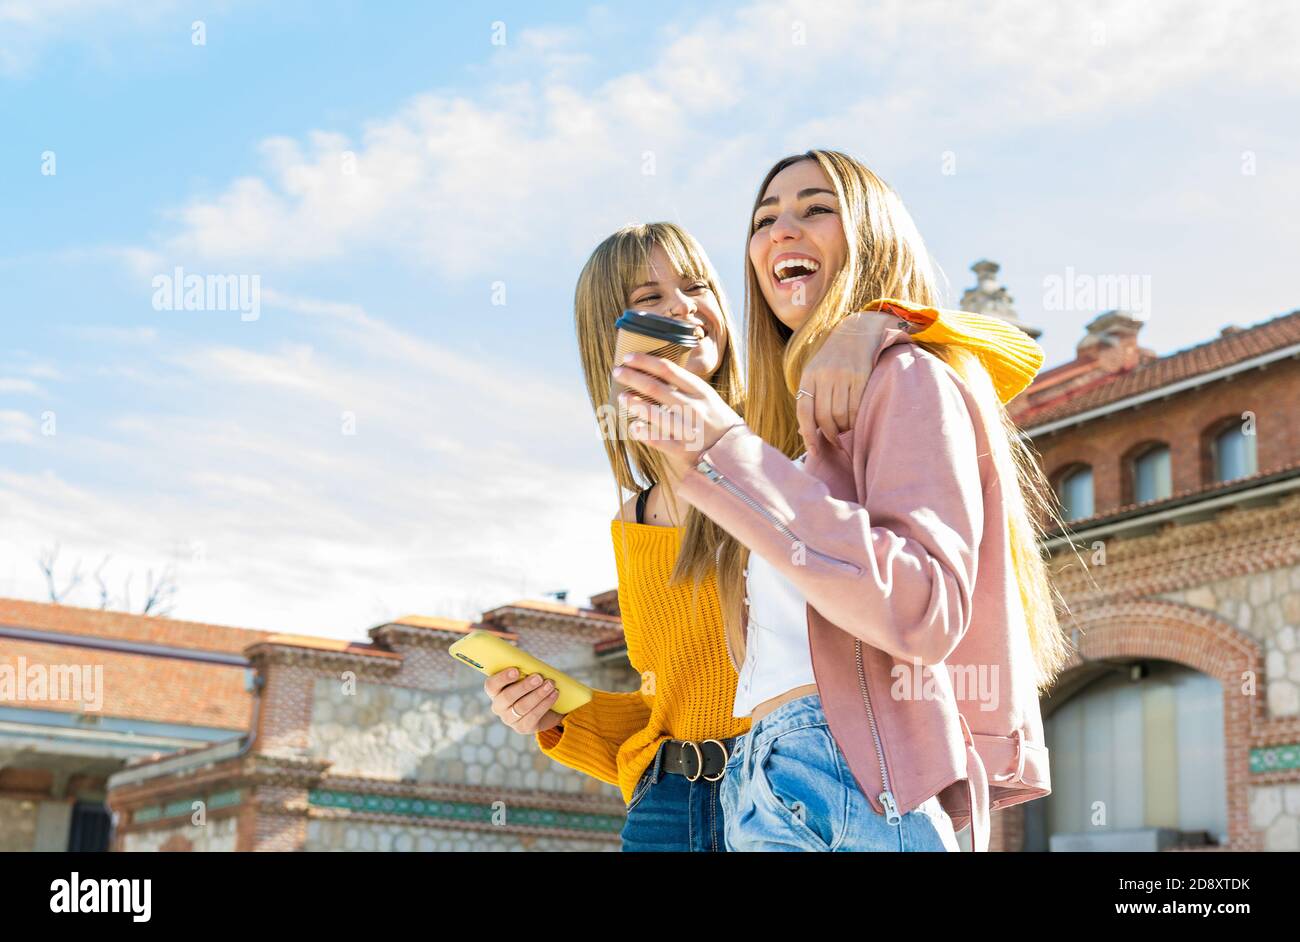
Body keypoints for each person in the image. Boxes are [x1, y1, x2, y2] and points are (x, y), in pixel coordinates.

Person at [483, 217, 1048, 851]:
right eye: (649, 299)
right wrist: (563, 717)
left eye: (698, 286)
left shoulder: (784, 446)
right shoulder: (634, 519)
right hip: (667, 813)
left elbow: (1012, 354)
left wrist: (877, 325)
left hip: (791, 788)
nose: (683, 308)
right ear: (606, 337)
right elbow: (672, 712)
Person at [615, 150, 1069, 851]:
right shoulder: (790, 429)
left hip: (844, 777)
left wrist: (884, 319)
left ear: (873, 237)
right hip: (762, 778)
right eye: (764, 219)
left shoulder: (908, 375)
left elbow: (922, 606)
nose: (782, 230)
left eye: (815, 207)